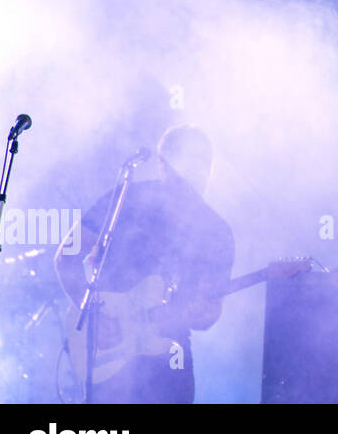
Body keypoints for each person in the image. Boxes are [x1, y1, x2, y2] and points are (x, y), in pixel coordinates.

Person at [54, 124, 235, 403]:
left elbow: (210, 314)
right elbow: (66, 256)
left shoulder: (217, 233)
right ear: (164, 166)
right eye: (188, 163)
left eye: (203, 165)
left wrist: (202, 312)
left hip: (169, 359)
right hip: (110, 355)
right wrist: (92, 312)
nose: (195, 174)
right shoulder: (126, 199)